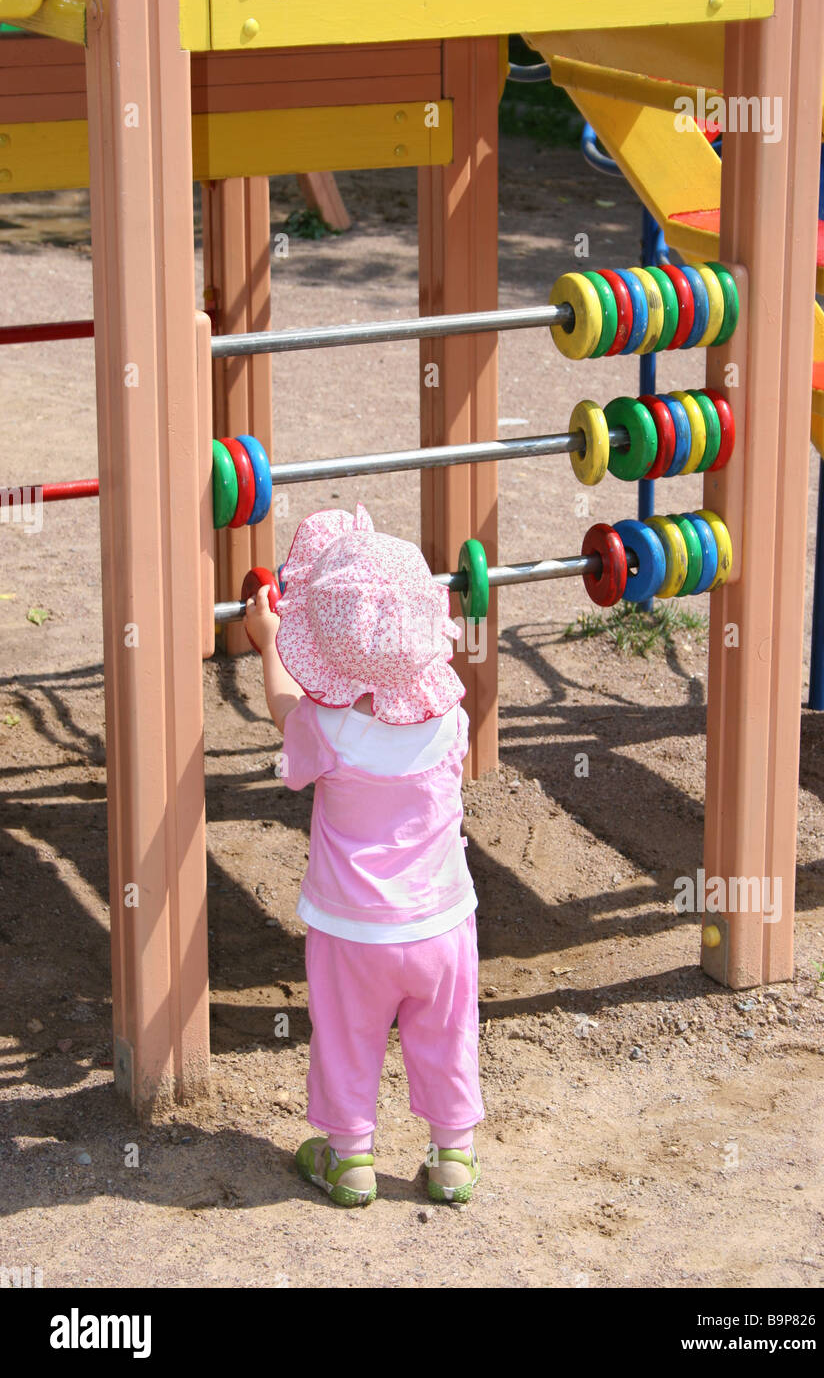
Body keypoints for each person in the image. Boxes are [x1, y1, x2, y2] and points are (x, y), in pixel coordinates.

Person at [244, 503, 483, 1207]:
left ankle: (349, 1159)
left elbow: (285, 711)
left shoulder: (327, 731)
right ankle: (453, 1157)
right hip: (442, 924)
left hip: (352, 932)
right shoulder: (452, 719)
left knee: (347, 1038)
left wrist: (268, 641)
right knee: (446, 1034)